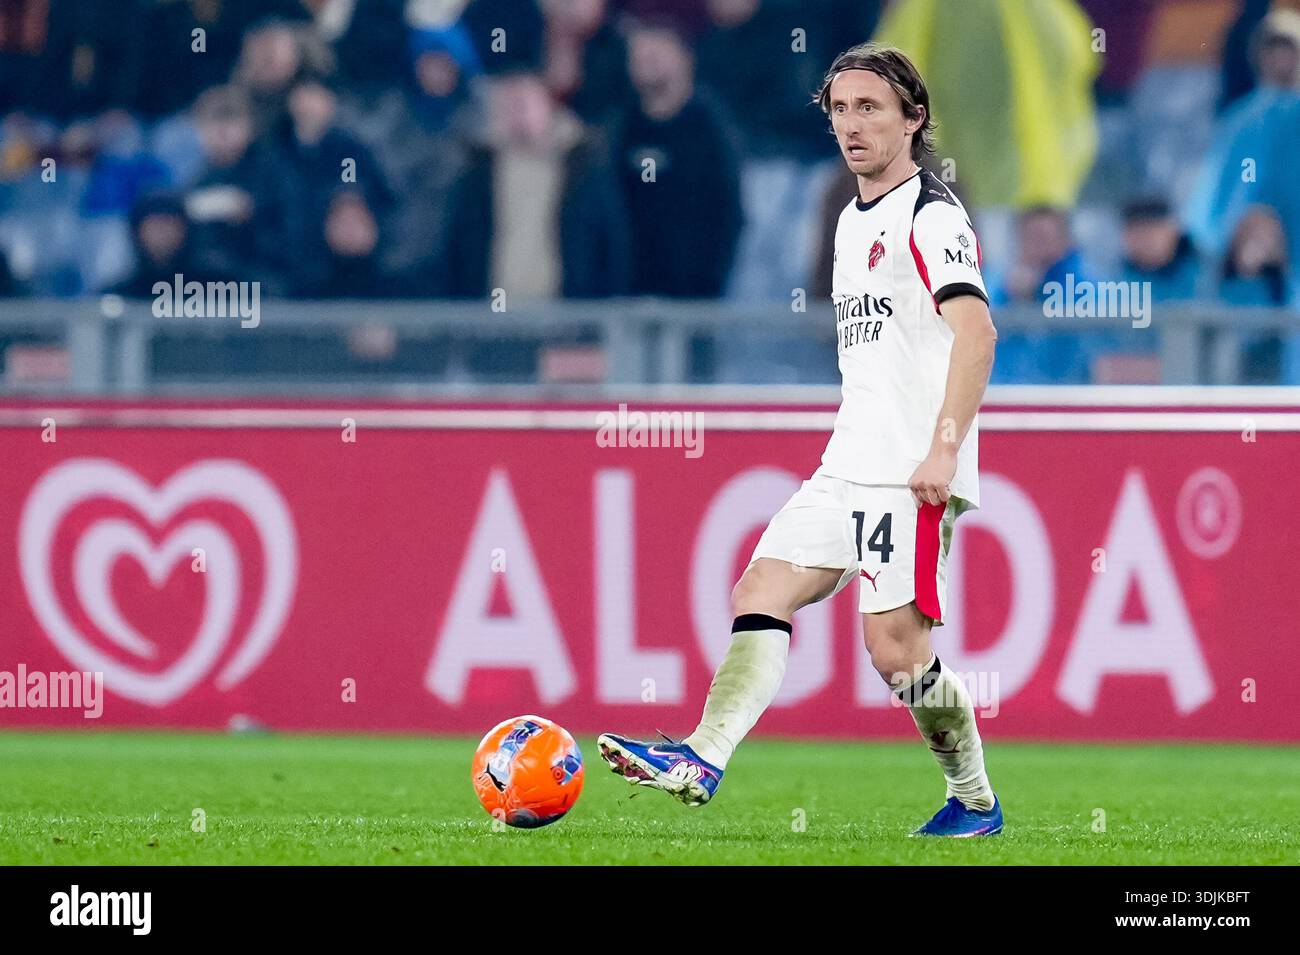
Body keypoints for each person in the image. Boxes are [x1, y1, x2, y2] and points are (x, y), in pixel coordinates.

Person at [598, 43, 1003, 838]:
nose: (852, 125)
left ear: (914, 119)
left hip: (909, 470)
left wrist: (945, 449)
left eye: (871, 108)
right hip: (847, 459)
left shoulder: (932, 212)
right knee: (760, 591)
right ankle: (702, 755)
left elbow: (978, 331)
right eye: (841, 110)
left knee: (896, 656)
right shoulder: (852, 219)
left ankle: (975, 799)